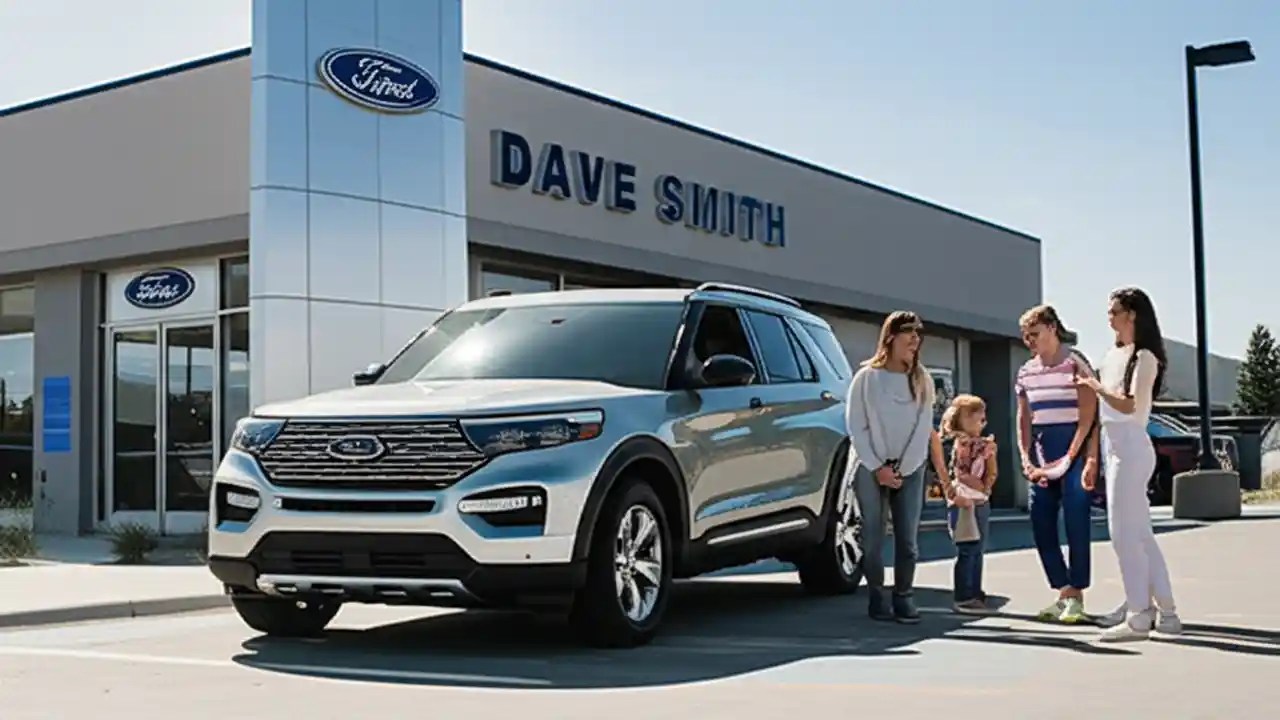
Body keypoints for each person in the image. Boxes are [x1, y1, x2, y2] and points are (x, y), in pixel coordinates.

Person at [1075, 287, 1182, 642]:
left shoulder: (1145, 357)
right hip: (1112, 443)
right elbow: (1103, 416)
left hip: (1132, 446)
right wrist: (1094, 456)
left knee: (1124, 535)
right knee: (1137, 534)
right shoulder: (1113, 355)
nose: (1108, 316)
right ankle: (1161, 611)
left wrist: (1095, 385)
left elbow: (1130, 406)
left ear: (1131, 314)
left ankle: (1140, 614)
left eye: (1114, 310)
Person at [845, 310, 947, 623]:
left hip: (910, 469)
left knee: (908, 540)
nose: (915, 339)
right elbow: (855, 425)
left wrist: (903, 468)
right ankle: (877, 595)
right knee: (873, 538)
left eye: (918, 333)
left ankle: (904, 596)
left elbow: (922, 428)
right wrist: (878, 467)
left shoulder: (921, 379)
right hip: (871, 467)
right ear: (891, 336)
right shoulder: (866, 378)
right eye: (909, 332)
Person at [1015, 304, 1101, 624]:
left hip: (1074, 445)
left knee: (1077, 519)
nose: (1030, 341)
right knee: (1041, 521)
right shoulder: (1025, 371)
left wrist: (1080, 456)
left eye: (1035, 334)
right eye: (1026, 337)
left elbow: (1090, 415)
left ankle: (1077, 593)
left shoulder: (1075, 363)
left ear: (1052, 328)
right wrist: (1025, 456)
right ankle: (1063, 590)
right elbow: (1024, 417)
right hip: (1042, 448)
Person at [938, 393, 998, 615]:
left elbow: (991, 472)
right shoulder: (956, 445)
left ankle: (975, 591)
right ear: (960, 420)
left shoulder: (985, 445)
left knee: (979, 548)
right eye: (976, 418)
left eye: (983, 418)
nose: (981, 422)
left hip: (980, 501)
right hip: (963, 502)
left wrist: (987, 487)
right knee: (967, 548)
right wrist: (957, 494)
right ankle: (964, 596)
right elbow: (956, 473)